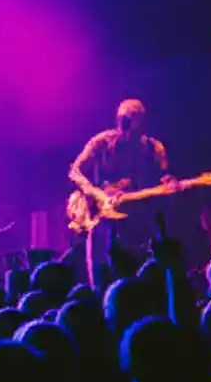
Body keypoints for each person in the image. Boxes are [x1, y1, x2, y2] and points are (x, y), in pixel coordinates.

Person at [69, 99, 175, 282]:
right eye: (125, 122)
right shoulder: (101, 143)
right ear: (119, 121)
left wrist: (168, 182)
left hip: (137, 212)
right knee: (101, 245)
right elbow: (75, 171)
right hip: (105, 211)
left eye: (135, 123)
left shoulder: (153, 148)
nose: (129, 131)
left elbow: (162, 176)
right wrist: (98, 194)